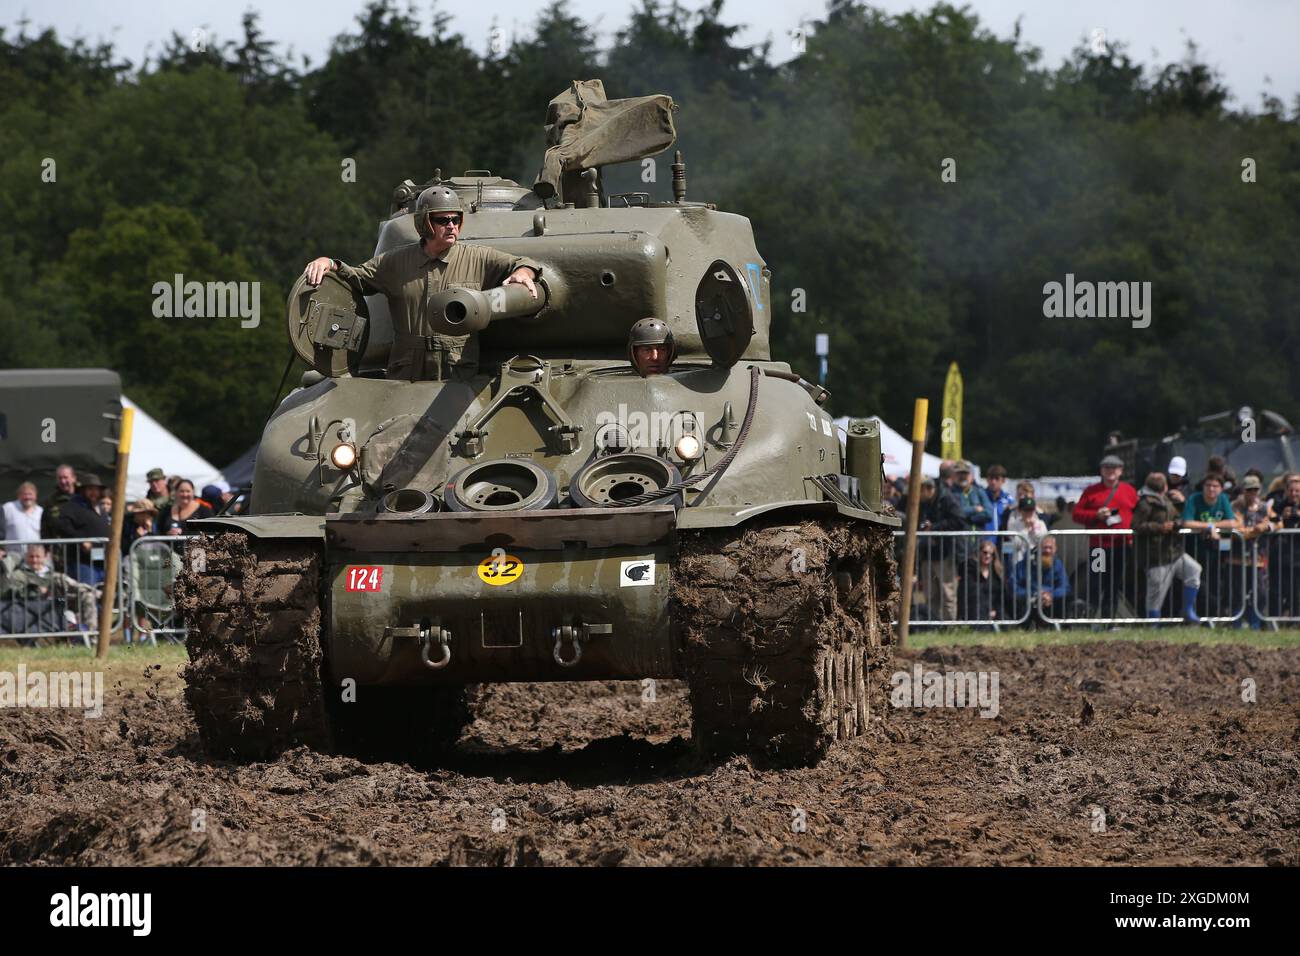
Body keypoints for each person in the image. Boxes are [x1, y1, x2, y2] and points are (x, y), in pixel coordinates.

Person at [303, 185, 542, 382]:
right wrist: (331, 263)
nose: (451, 225)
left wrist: (523, 272)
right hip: (407, 367)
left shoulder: (478, 258)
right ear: (425, 223)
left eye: (456, 219)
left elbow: (523, 263)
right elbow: (359, 279)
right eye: (442, 220)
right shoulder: (396, 261)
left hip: (456, 367)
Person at [1072, 454, 1138, 618]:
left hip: (1121, 546)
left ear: (1120, 471)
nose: (1110, 471)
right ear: (1101, 470)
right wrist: (1096, 515)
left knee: (1114, 585)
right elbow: (1077, 514)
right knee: (1096, 583)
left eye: (1114, 468)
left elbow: (1138, 513)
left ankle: (1109, 621)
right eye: (1107, 468)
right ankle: (1091, 619)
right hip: (1098, 547)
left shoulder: (1129, 491)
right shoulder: (1091, 491)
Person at [1132, 472, 1202, 621]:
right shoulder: (1145, 503)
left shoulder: (1166, 500)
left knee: (1194, 570)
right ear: (1164, 486)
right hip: (1156, 555)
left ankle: (1188, 610)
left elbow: (1177, 517)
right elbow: (1136, 525)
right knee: (1156, 592)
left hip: (1174, 551)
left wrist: (1176, 523)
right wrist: (1160, 527)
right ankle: (1153, 623)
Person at [0, 543, 99, 631]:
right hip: (31, 612)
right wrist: (34, 590)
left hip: (58, 606)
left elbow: (71, 586)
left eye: (38, 557)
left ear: (45, 557)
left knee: (87, 595)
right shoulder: (18, 575)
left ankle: (90, 636)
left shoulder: (52, 575)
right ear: (26, 557)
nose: (34, 560)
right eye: (31, 557)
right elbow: (9, 593)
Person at [1182, 472, 1240, 618]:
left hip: (1217, 548)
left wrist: (1211, 526)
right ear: (1203, 487)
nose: (1211, 489)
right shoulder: (1194, 499)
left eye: (1215, 486)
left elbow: (1232, 522)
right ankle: (1203, 614)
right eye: (1208, 485)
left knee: (1217, 581)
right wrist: (1208, 527)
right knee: (1200, 580)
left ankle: (1215, 614)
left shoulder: (1223, 499)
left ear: (1221, 488)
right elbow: (1187, 522)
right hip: (1196, 547)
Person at [916, 476, 966, 621]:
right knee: (930, 594)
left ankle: (949, 626)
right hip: (927, 554)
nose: (917, 494)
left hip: (945, 554)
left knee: (947, 593)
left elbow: (959, 520)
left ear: (928, 488)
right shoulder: (924, 502)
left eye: (920, 490)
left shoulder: (947, 499)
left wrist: (935, 527)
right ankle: (933, 624)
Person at [53, 473, 112, 585]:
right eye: (90, 489)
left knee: (103, 596)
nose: (94, 492)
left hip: (102, 560)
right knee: (87, 595)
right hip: (82, 562)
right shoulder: (72, 506)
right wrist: (81, 540)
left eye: (96, 489)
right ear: (82, 490)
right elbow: (62, 526)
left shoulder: (100, 507)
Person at [1232, 475, 1273, 628]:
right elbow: (1238, 529)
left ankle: (1254, 624)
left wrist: (1267, 527)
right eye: (1249, 490)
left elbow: (1277, 521)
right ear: (1244, 490)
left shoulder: (1264, 507)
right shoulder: (1235, 505)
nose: (1252, 493)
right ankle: (1236, 624)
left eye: (1255, 489)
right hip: (1237, 558)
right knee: (1238, 593)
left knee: (1260, 592)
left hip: (1258, 558)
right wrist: (1257, 530)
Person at [1011, 534, 1070, 624]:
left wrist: (1051, 595)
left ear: (1055, 549)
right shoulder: (1024, 565)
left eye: (1050, 548)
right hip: (1027, 604)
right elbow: (1013, 586)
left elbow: (1065, 586)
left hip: (1051, 603)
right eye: (1044, 547)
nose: (1047, 551)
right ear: (1038, 548)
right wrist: (1034, 595)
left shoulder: (1058, 564)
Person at [1266, 473, 1300, 618]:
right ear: (1286, 491)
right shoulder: (1279, 505)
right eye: (1291, 491)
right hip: (1281, 555)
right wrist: (1281, 517)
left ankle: (1296, 620)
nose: (1293, 494)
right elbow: (1270, 519)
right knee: (1277, 590)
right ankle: (1275, 620)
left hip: (1298, 556)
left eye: (1297, 491)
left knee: (1297, 591)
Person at [958, 539, 1008, 623]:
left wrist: (994, 609)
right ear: (980, 552)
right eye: (985, 552)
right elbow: (972, 594)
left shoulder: (997, 573)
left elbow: (1000, 595)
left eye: (991, 554)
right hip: (975, 608)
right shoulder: (970, 571)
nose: (988, 556)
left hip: (994, 609)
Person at [1005, 495, 1048, 564]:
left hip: (1036, 562)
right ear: (1020, 511)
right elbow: (1016, 544)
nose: (1028, 513)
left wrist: (1034, 529)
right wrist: (1025, 529)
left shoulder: (1041, 524)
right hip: (1019, 561)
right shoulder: (1014, 524)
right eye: (1026, 510)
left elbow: (1043, 542)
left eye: (1031, 510)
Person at [40, 463, 77, 539]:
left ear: (74, 478)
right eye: (60, 478)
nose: (63, 481)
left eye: (66, 477)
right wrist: (46, 548)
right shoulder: (50, 501)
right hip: (58, 548)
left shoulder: (83, 498)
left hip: (81, 548)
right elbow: (45, 527)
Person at [983, 465, 1014, 539]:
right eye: (991, 478)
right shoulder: (981, 497)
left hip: (1003, 543)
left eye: (997, 479)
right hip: (984, 544)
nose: (993, 482)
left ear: (1003, 481)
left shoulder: (1009, 500)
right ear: (987, 480)